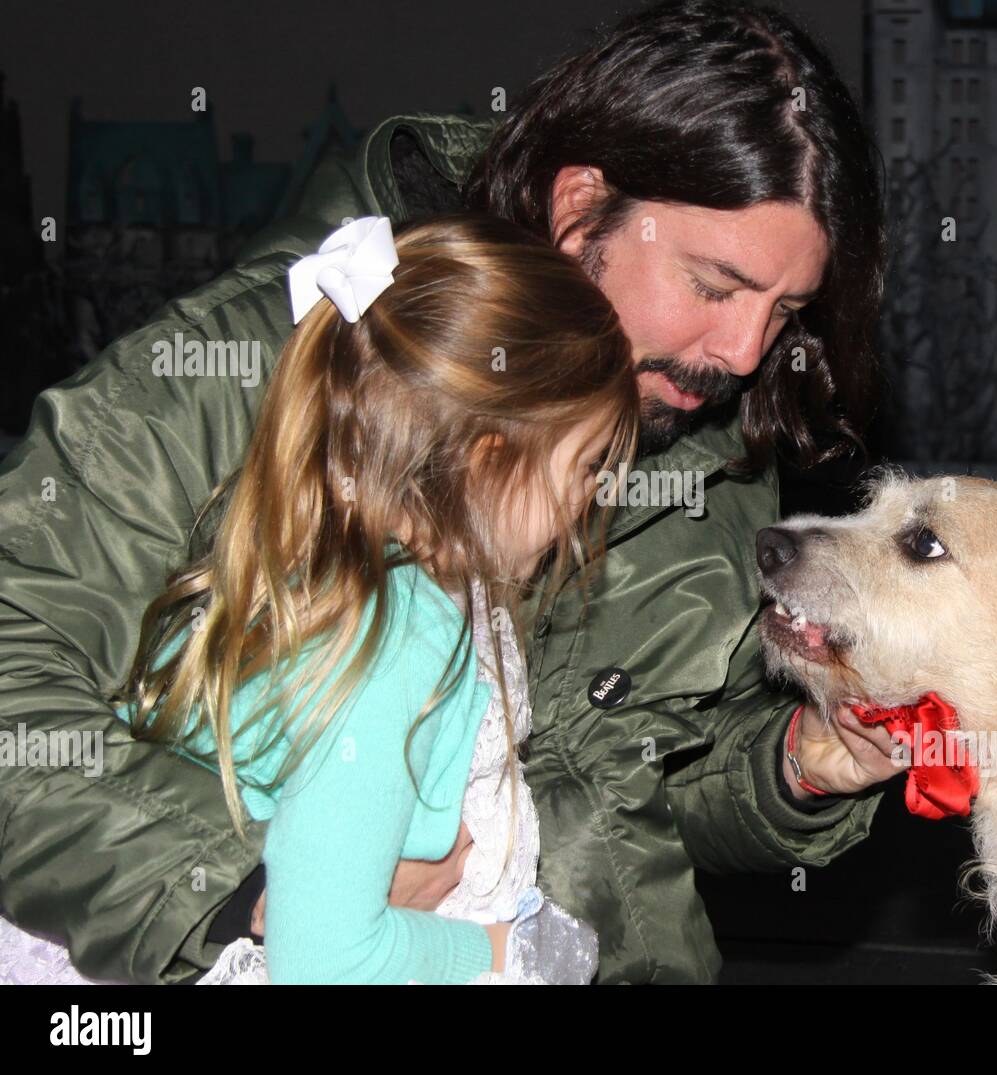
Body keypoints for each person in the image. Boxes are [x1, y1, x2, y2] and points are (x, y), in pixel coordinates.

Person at [0, 0, 899, 985]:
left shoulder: (704, 436)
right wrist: (242, 893)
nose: (742, 351)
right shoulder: (256, 365)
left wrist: (799, 764)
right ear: (577, 207)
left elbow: (635, 780)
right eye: (715, 284)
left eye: (787, 311)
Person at [0, 212, 638, 984]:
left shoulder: (316, 558)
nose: (591, 498)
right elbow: (324, 958)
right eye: (586, 465)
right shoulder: (397, 643)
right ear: (489, 463)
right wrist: (501, 952)